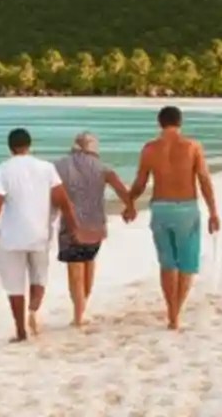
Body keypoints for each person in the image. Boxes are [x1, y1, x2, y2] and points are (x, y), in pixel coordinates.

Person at [129, 106, 221, 330]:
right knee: (187, 265)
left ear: (159, 123)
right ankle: (175, 314)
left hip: (160, 209)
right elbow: (204, 180)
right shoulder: (192, 147)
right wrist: (213, 212)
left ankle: (172, 314)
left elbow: (140, 183)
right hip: (186, 209)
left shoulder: (150, 149)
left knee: (167, 263)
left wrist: (129, 204)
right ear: (180, 123)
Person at [0, 128, 79, 342]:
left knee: (15, 285)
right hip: (39, 234)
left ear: (9, 147)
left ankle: (20, 331)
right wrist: (73, 227)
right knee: (39, 276)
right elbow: (62, 200)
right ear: (30, 145)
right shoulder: (46, 168)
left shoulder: (3, 170)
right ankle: (33, 311)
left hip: (11, 238)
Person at [53, 131, 136, 327]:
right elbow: (117, 184)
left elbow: (44, 185)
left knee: (75, 269)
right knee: (89, 262)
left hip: (70, 227)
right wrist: (130, 206)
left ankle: (78, 314)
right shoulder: (102, 167)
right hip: (95, 226)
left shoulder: (58, 165)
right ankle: (83, 307)